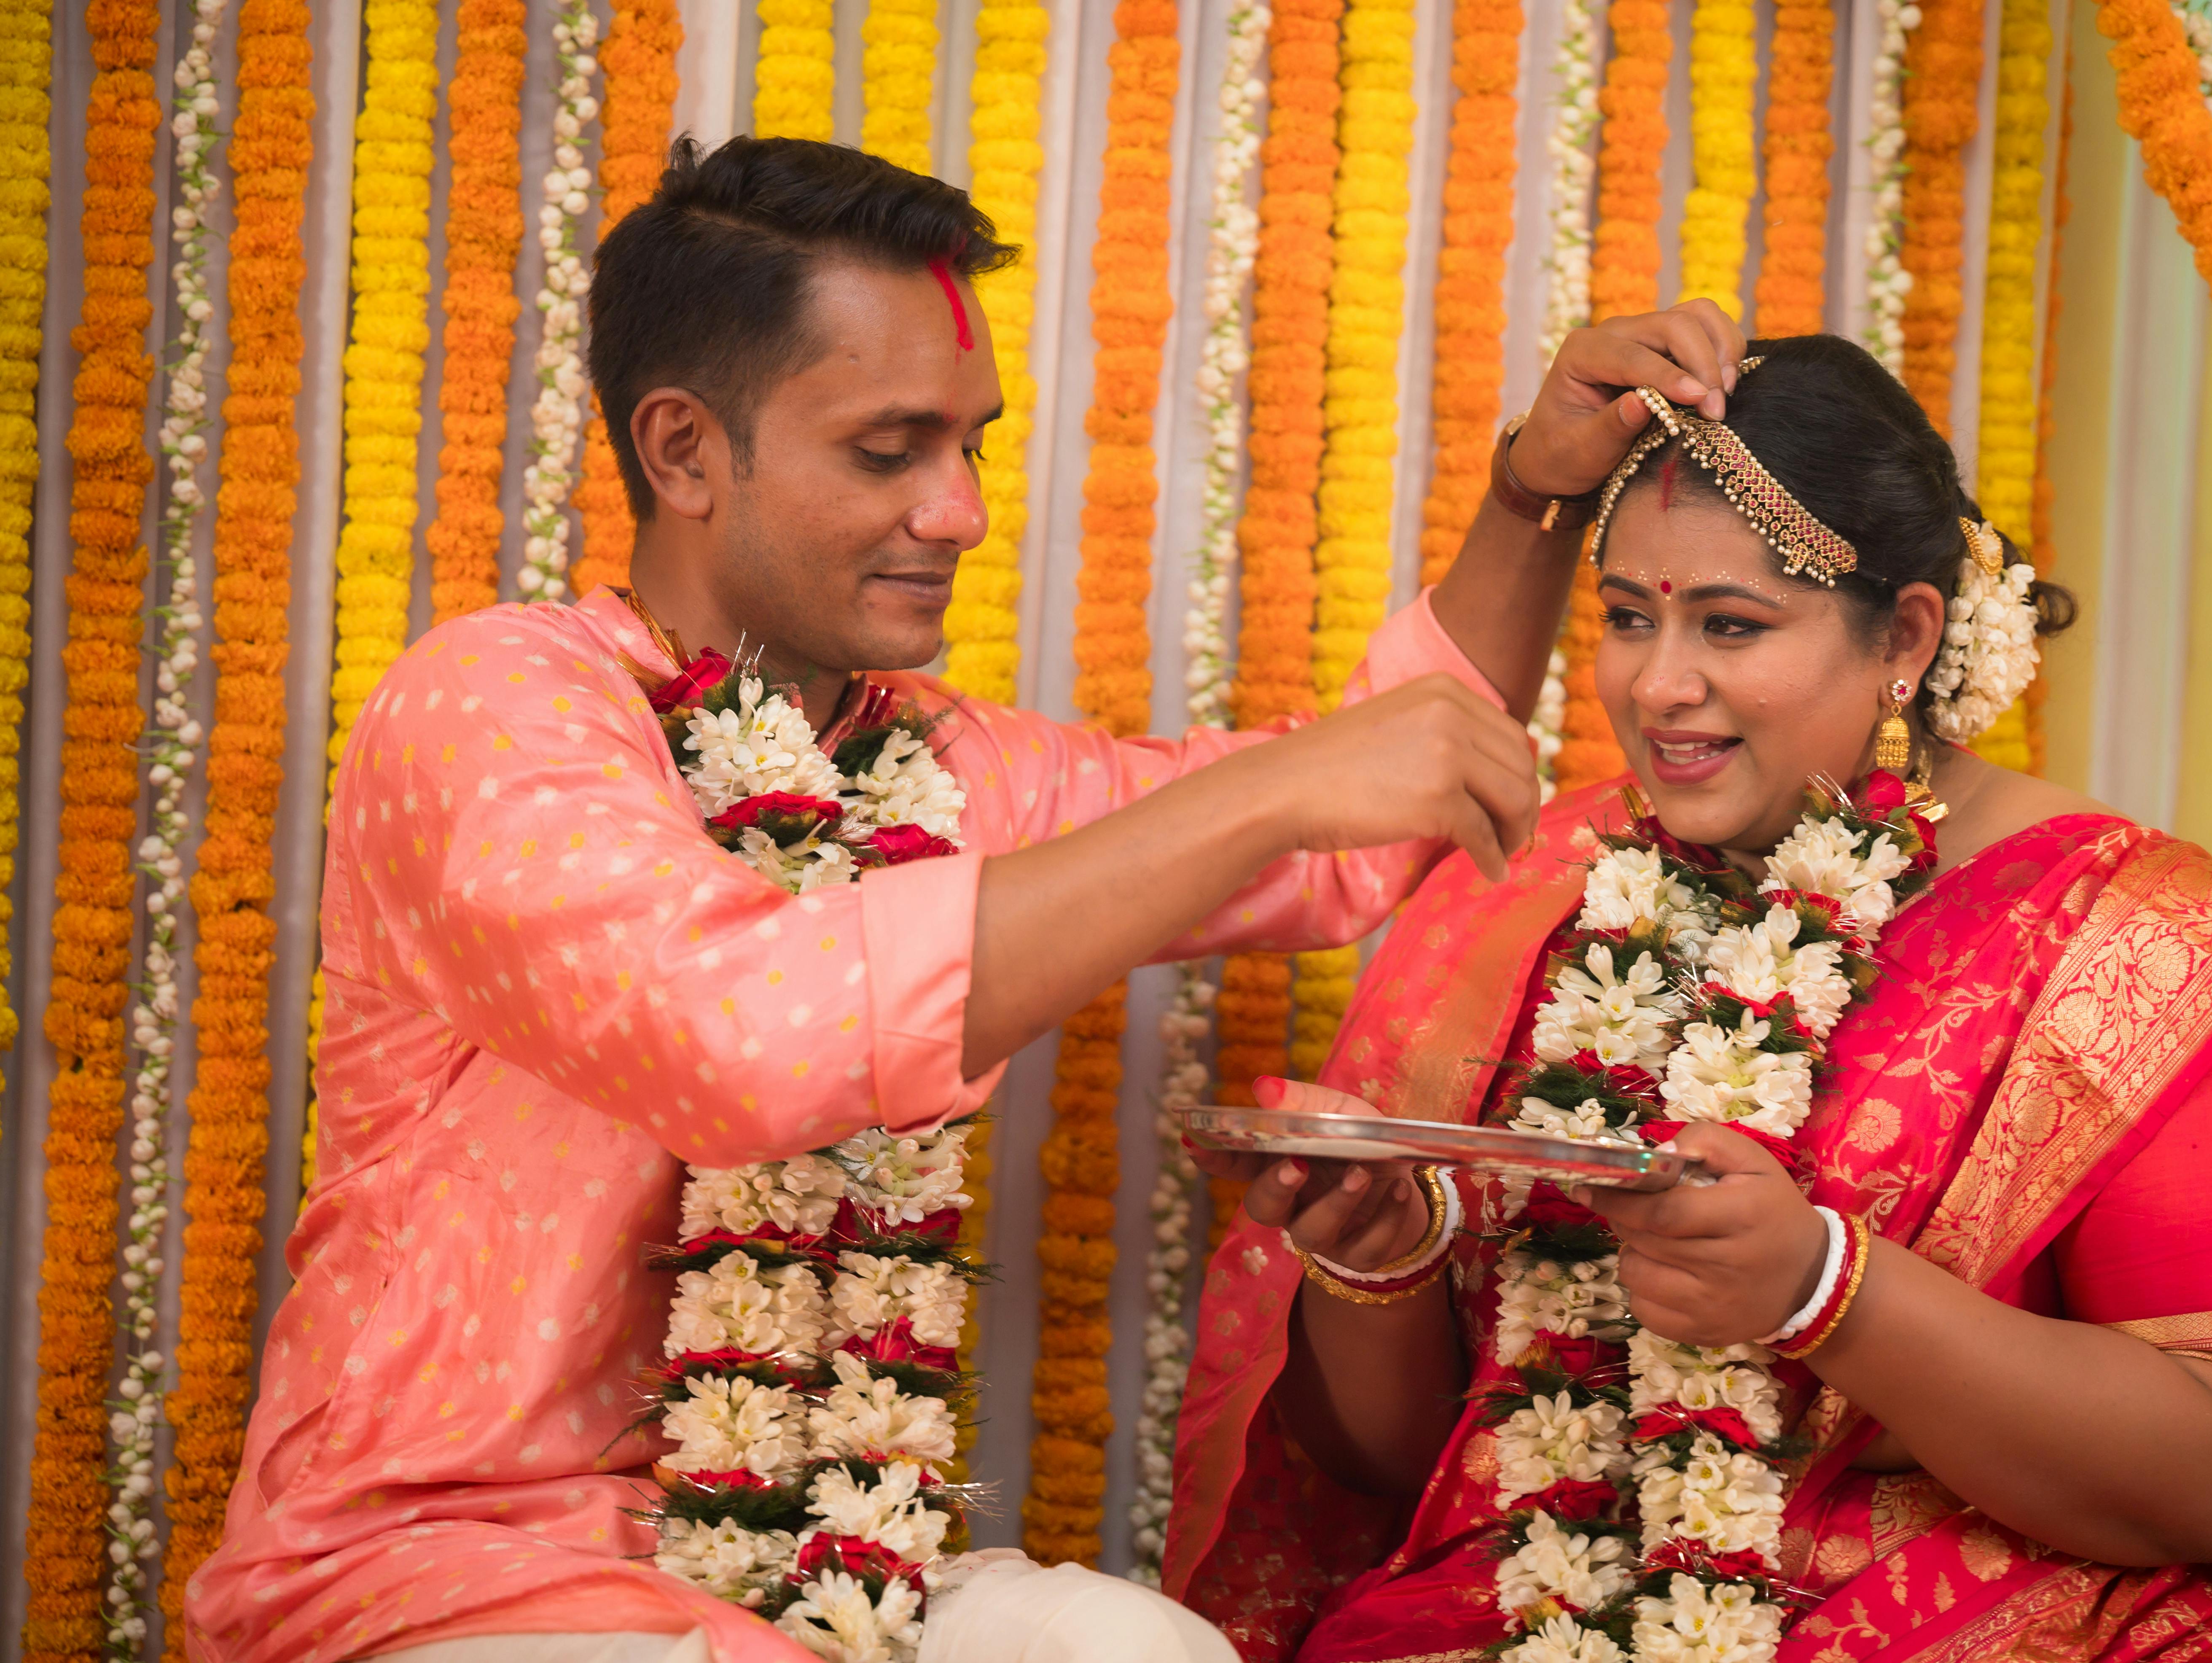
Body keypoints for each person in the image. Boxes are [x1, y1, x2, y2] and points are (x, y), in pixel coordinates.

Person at [181, 135, 1755, 1663]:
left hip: (815, 1566)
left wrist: (1534, 497)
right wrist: (1266, 792)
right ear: (683, 451)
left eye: (971, 447)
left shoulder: (935, 767)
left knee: (1141, 1655)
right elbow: (737, 1035)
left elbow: (1343, 837)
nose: (961, 513)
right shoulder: (493, 706)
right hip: (431, 1566)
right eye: (891, 452)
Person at [1164, 334, 2212, 1663]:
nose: (1658, 685)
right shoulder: (1535, 897)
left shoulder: (2144, 947)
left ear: (1906, 637)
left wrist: (1823, 1288)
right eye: (1630, 617)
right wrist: (1381, 1259)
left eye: (1731, 625)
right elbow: (1407, 1472)